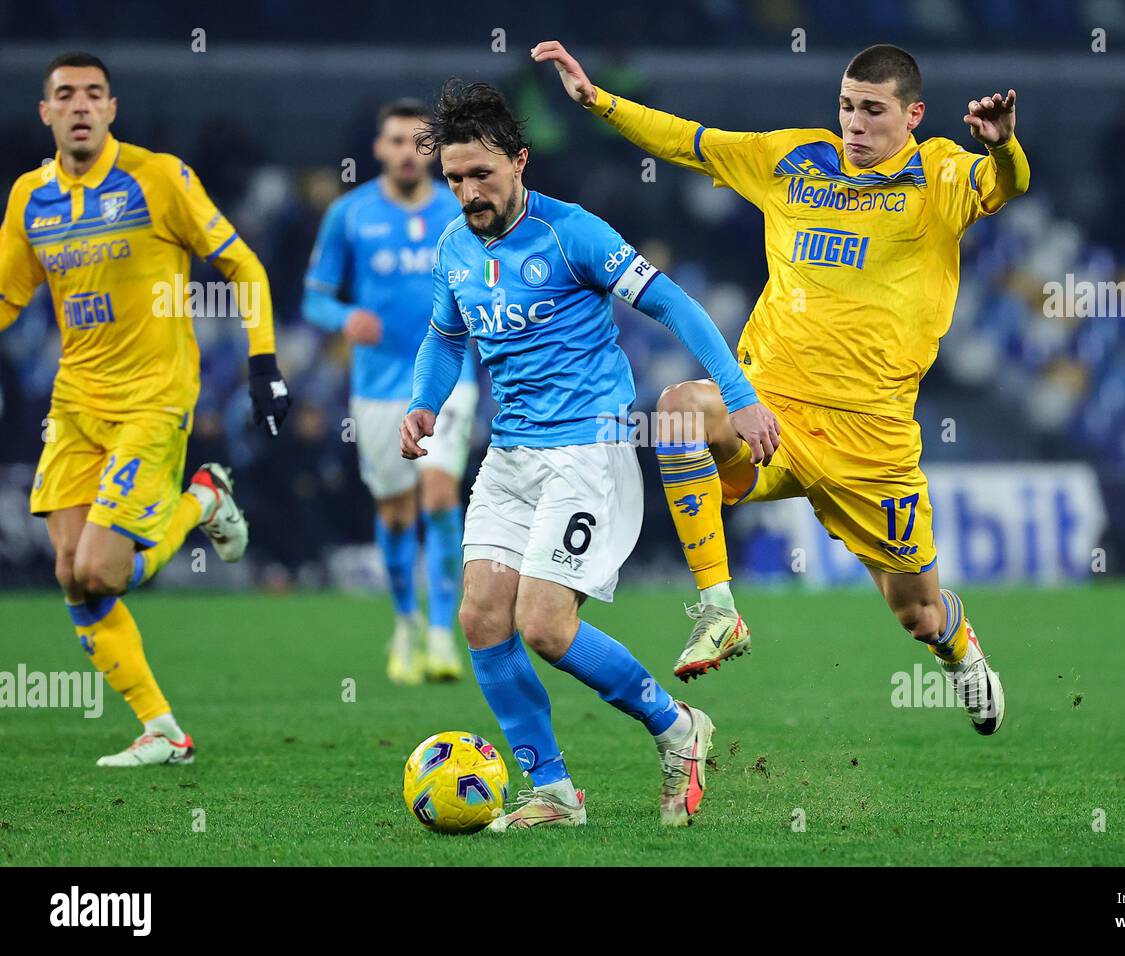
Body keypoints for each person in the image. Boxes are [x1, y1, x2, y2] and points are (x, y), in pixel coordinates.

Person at [534, 39, 1030, 732]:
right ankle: (717, 607)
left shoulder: (941, 173)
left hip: (873, 440)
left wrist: (1004, 147)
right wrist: (599, 102)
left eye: (873, 111)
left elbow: (1005, 186)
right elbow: (694, 142)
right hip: (769, 413)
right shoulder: (796, 159)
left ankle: (957, 647)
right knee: (678, 409)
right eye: (847, 107)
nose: (855, 124)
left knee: (915, 610)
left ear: (913, 114)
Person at [399, 80, 778, 828]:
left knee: (543, 625)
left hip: (590, 451)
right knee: (481, 618)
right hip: (510, 457)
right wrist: (424, 402)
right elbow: (445, 337)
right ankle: (554, 793)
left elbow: (673, 303)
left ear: (519, 161)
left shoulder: (574, 233)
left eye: (481, 174)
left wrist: (736, 395)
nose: (468, 192)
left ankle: (677, 728)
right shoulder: (453, 249)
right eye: (454, 179)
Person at [0, 52, 291, 766]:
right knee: (70, 573)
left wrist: (263, 364)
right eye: (63, 94)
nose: (78, 106)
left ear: (111, 108)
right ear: (45, 113)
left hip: (155, 397)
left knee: (99, 569)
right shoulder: (28, 198)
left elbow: (242, 265)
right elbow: (7, 296)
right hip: (75, 402)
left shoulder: (158, 177)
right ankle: (163, 728)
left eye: (92, 94)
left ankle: (201, 501)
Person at [304, 99, 474, 684]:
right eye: (396, 141)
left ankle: (440, 634)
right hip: (376, 389)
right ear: (380, 149)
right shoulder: (350, 215)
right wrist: (344, 317)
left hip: (449, 379)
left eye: (418, 142)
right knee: (397, 512)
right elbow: (313, 296)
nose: (407, 152)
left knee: (440, 495)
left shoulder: (461, 210)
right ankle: (404, 624)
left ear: (432, 150)